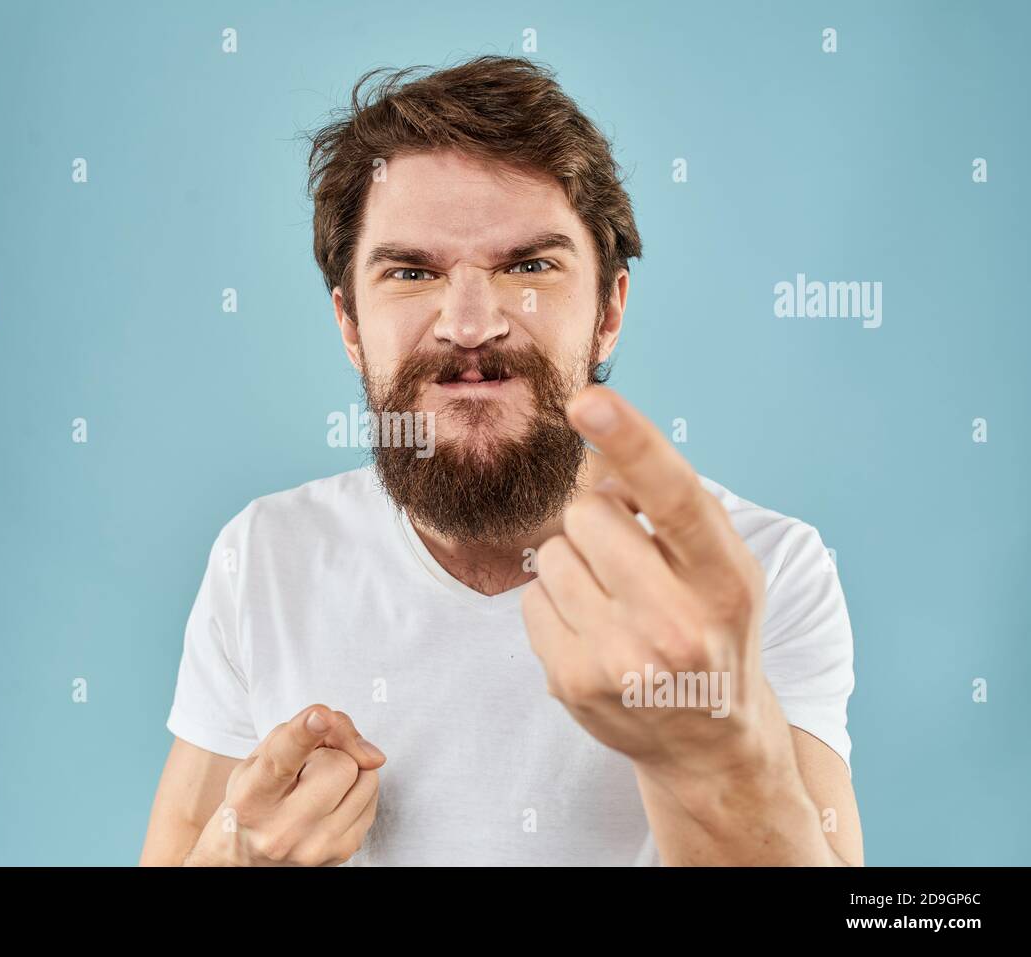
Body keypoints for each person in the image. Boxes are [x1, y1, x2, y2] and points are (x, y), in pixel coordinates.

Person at [140, 55, 862, 866]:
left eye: (529, 266)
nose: (471, 325)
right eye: (412, 272)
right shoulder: (263, 558)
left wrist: (720, 757)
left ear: (609, 310)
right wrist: (238, 854)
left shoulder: (759, 572)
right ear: (348, 323)